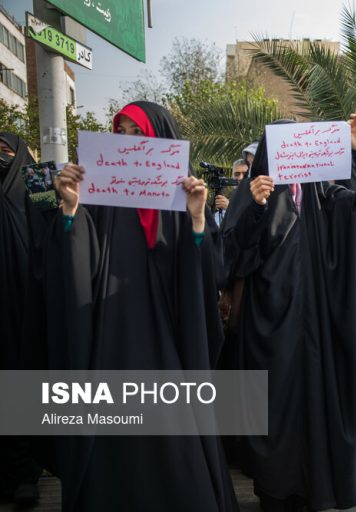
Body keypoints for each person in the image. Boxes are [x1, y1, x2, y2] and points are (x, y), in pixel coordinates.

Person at [49, 101, 237, 512]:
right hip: (112, 340)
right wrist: (70, 210)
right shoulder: (99, 198)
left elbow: (204, 277)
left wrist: (198, 221)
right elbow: (79, 263)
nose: (130, 142)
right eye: (123, 133)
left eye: (139, 133)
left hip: (168, 340)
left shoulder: (181, 198)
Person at [230, 112, 356, 511]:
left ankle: (316, 488)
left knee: (314, 410)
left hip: (315, 328)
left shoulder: (325, 194)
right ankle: (274, 491)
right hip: (268, 328)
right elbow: (232, 258)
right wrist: (257, 208)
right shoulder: (252, 192)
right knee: (273, 412)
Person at [0, 133, 46, 507]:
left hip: (29, 306)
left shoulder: (37, 185)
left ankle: (25, 471)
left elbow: (60, 238)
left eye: (5, 150)